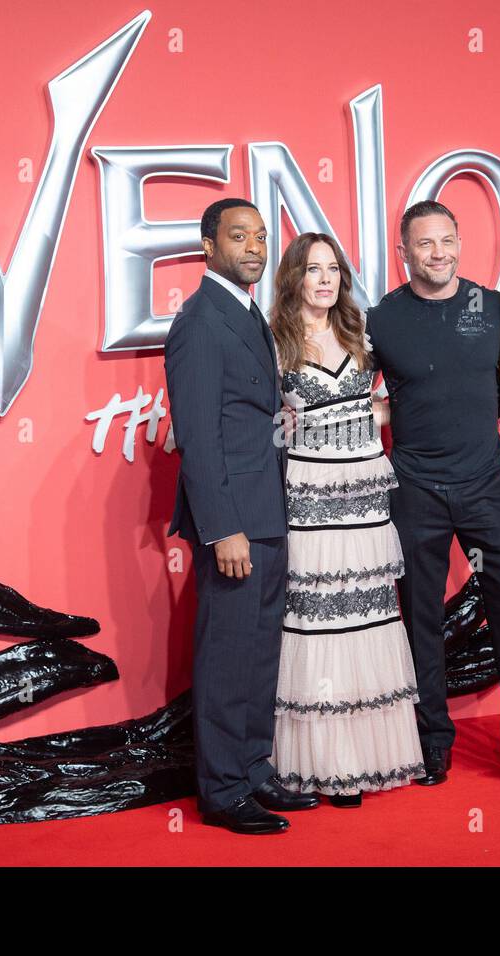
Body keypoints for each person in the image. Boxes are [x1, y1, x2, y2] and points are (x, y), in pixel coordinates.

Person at [366, 200, 500, 798]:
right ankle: (431, 747)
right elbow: (353, 393)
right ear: (404, 254)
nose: (439, 253)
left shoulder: (494, 307)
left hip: (485, 486)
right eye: (425, 244)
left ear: (459, 242)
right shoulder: (381, 320)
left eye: (447, 240)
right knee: (419, 621)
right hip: (414, 490)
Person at [163, 198, 320, 834]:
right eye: (238, 236)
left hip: (268, 512)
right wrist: (222, 526)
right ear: (208, 245)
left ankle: (254, 771)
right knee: (229, 654)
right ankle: (222, 789)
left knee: (259, 654)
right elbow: (198, 437)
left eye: (260, 236)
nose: (254, 247)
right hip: (234, 521)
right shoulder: (201, 322)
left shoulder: (249, 313)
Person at [267, 232, 426, 808]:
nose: (326, 279)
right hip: (310, 493)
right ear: (295, 279)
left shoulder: (361, 333)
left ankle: (366, 759)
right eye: (313, 270)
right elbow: (262, 420)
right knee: (318, 621)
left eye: (333, 269)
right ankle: (327, 764)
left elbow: (384, 403)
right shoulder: (276, 341)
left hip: (365, 491)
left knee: (369, 614)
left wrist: (374, 415)